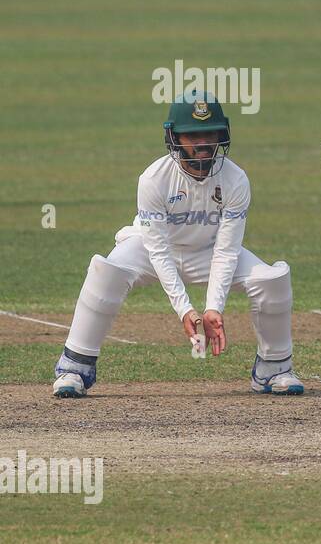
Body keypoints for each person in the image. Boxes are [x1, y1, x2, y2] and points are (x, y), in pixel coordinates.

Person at [53, 91, 303, 398]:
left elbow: (226, 250)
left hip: (209, 252)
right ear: (174, 138)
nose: (202, 144)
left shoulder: (236, 180)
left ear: (222, 135)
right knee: (107, 270)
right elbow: (157, 249)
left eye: (210, 133)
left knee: (272, 279)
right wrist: (185, 309)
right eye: (192, 135)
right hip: (149, 248)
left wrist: (213, 308)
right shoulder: (153, 179)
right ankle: (74, 367)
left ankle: (274, 367)